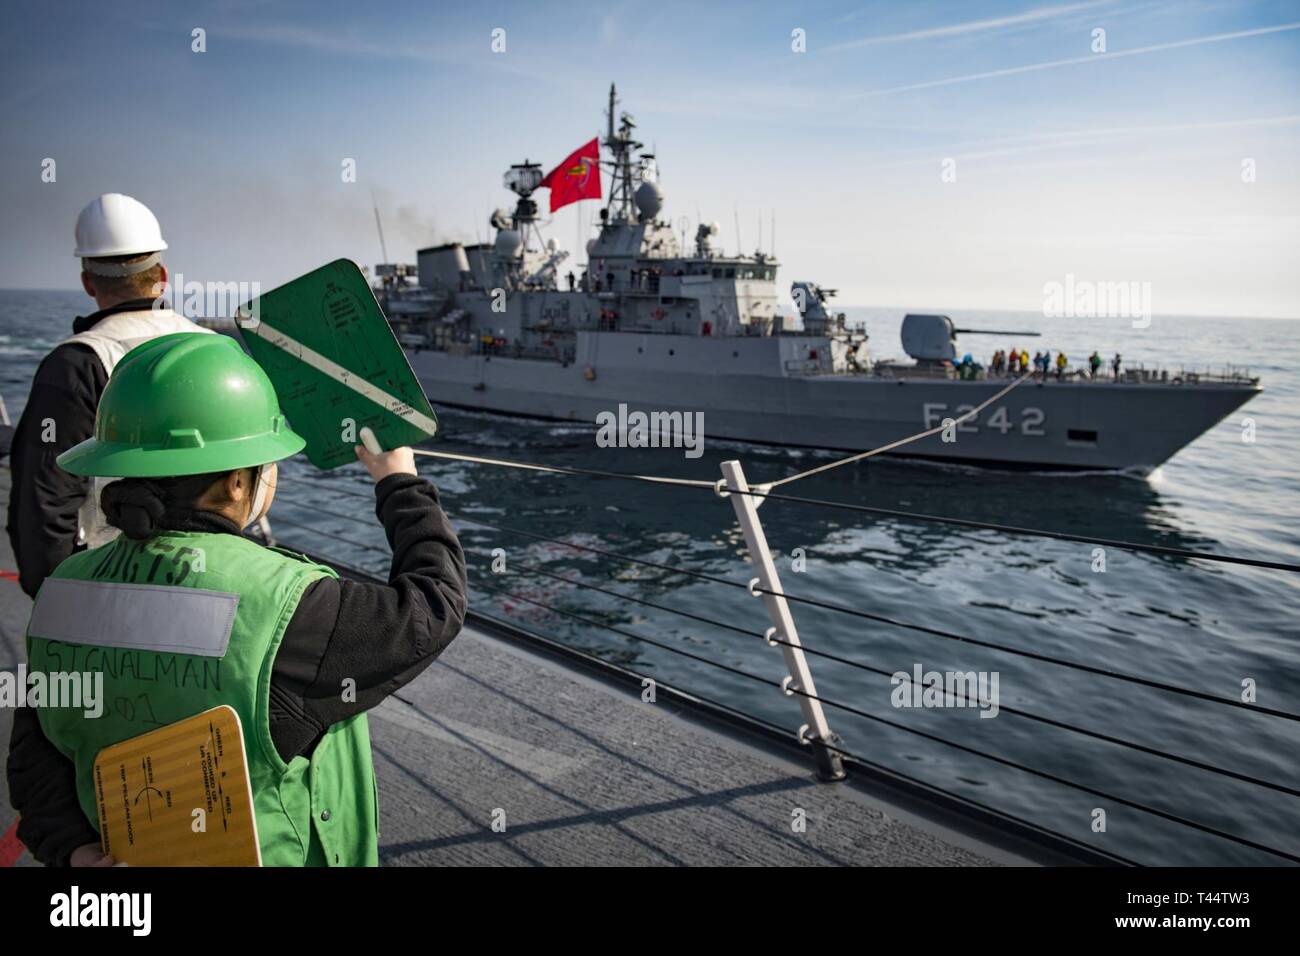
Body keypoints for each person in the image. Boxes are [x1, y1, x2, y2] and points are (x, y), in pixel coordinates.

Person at [7, 333, 467, 866]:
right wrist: (399, 481)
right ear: (235, 485)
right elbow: (435, 605)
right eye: (267, 461)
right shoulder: (292, 607)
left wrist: (74, 852)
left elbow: (36, 757)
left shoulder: (61, 592)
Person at [5, 194, 214, 599]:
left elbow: (45, 500)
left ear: (87, 282)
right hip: (214, 582)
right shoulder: (212, 348)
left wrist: (54, 596)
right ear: (163, 275)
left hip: (110, 587)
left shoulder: (77, 363)